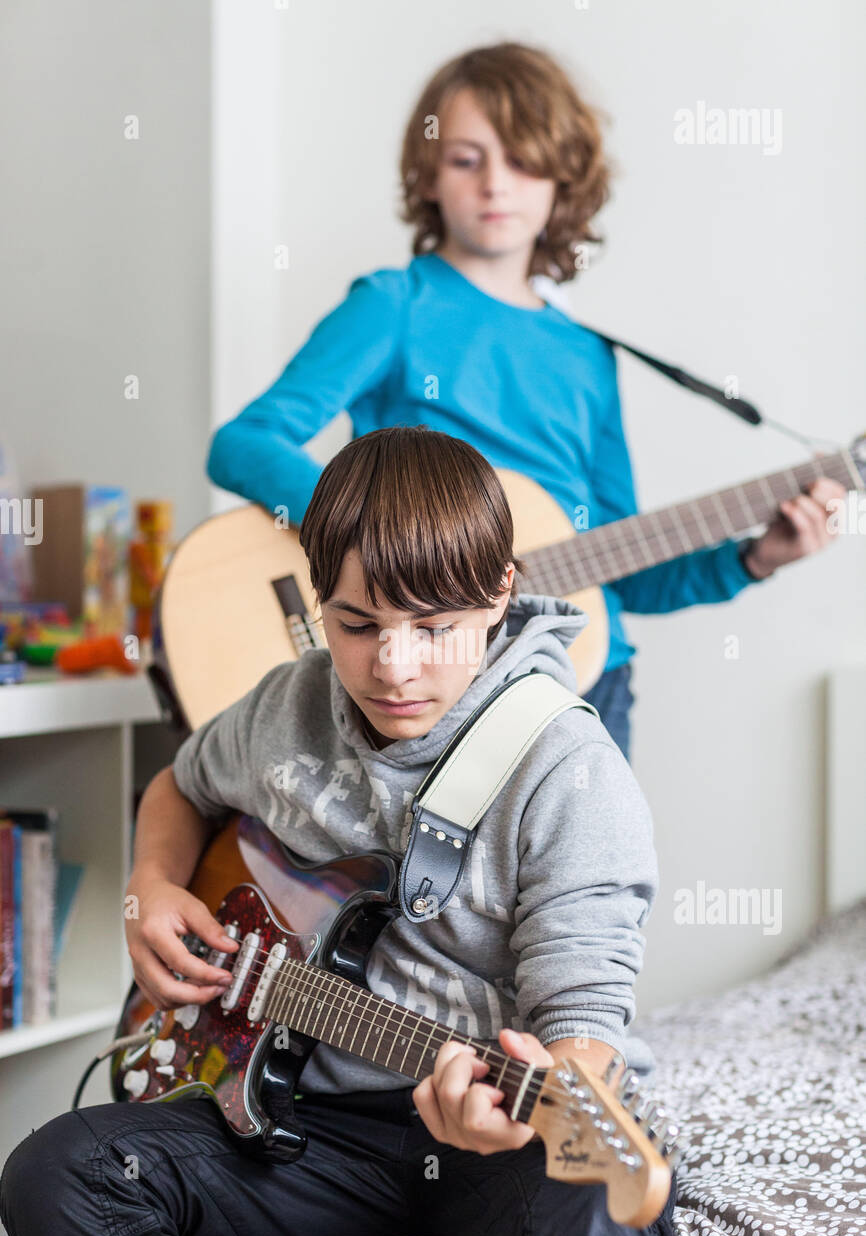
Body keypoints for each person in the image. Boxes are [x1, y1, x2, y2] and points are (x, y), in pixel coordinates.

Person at [0, 426, 676, 1236]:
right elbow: (180, 784)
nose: (394, 667)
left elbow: (583, 1027)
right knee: (57, 1171)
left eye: (435, 628)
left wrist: (530, 1103)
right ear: (320, 599)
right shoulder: (289, 702)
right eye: (358, 625)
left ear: (501, 591)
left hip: (499, 1142)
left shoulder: (570, 770)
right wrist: (152, 886)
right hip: (305, 1127)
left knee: (600, 1204)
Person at [204, 41, 846, 762]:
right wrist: (387, 529)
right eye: (466, 159)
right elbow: (242, 442)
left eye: (523, 159)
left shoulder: (587, 354)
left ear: (563, 179)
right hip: (431, 682)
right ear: (429, 176)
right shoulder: (395, 305)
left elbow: (621, 564)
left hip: (584, 683)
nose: (496, 185)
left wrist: (754, 557)